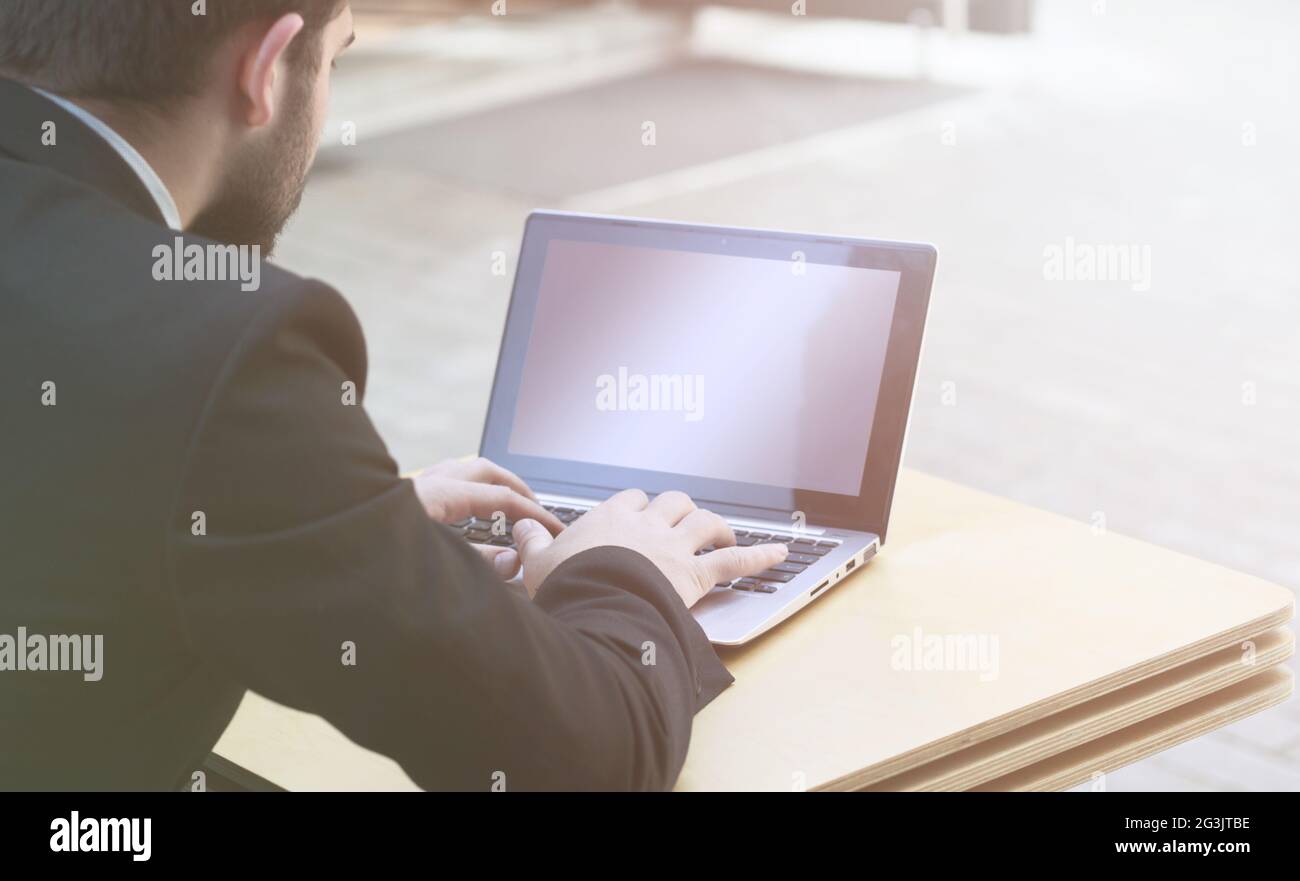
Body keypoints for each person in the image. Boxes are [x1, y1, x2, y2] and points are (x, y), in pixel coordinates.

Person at [0, 0, 786, 791]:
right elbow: (583, 763)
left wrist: (340, 518)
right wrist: (624, 571)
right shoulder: (217, 350)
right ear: (263, 69)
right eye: (334, 60)